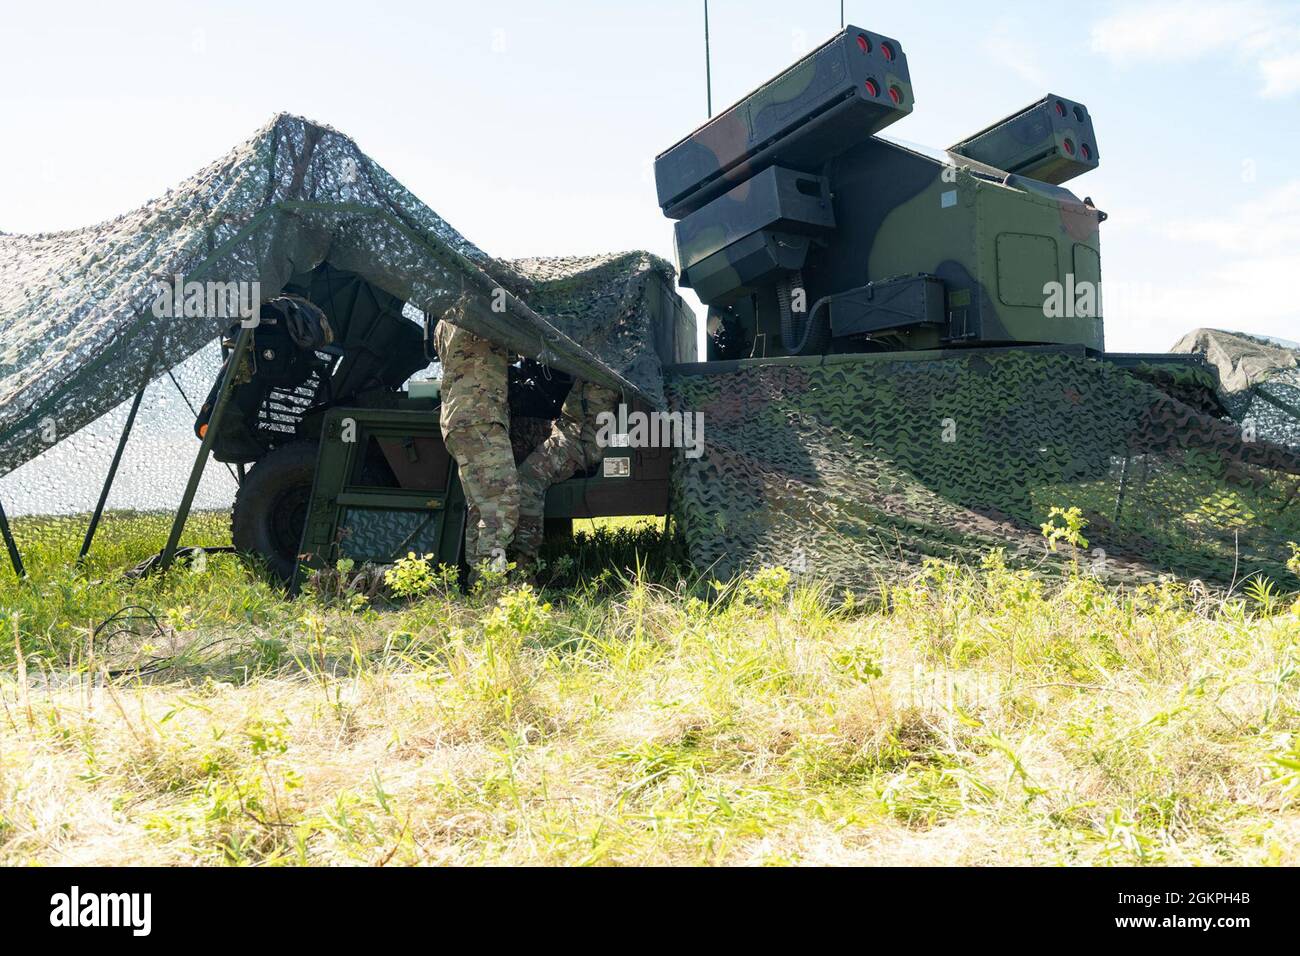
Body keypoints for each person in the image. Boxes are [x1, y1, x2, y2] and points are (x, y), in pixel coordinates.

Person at [433, 313, 519, 578]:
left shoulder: (445, 318)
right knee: (502, 499)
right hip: (479, 416)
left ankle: (479, 582)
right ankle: (492, 584)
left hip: (459, 418)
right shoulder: (480, 310)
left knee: (481, 506)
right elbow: (517, 345)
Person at [514, 379, 618, 572]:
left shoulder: (603, 366)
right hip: (567, 429)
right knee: (517, 428)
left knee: (526, 481)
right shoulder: (595, 360)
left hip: (580, 444)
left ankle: (524, 569)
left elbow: (588, 428)